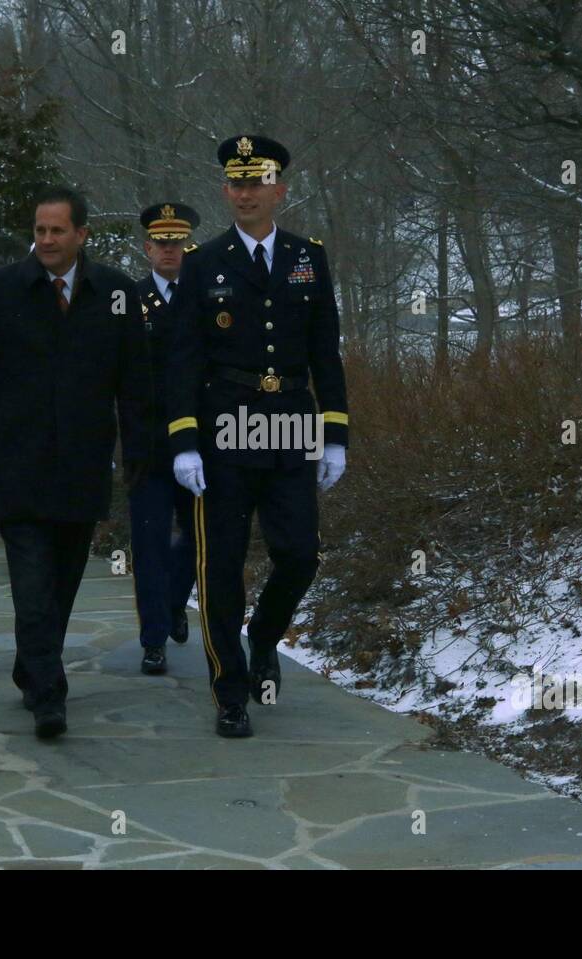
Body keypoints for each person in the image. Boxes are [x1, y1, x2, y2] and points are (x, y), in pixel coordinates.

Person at [0, 185, 152, 740]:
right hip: (18, 464)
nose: (48, 240)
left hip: (82, 465)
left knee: (61, 584)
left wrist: (138, 450)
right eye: (40, 230)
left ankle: (31, 664)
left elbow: (133, 384)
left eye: (58, 230)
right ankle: (49, 696)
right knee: (31, 583)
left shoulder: (116, 293)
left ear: (82, 234)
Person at [167, 134, 350, 738]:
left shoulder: (308, 256)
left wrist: (336, 432)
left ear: (280, 190)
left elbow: (326, 349)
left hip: (292, 422)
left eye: (257, 182)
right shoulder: (202, 262)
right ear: (225, 191)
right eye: (236, 183)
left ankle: (264, 634)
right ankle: (230, 690)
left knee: (299, 554)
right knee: (220, 565)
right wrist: (185, 440)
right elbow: (183, 359)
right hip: (224, 427)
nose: (245, 193)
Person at [129, 202, 201, 676]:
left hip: (198, 440)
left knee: (198, 535)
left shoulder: (206, 294)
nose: (170, 251)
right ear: (148, 247)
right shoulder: (128, 300)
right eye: (162, 243)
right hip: (148, 440)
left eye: (178, 242)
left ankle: (176, 601)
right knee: (149, 541)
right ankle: (153, 638)